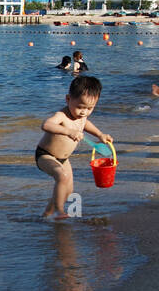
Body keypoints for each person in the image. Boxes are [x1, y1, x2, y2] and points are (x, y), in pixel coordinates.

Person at [35, 75, 113, 220]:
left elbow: (86, 124)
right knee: (61, 177)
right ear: (68, 99)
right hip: (46, 155)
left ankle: (47, 215)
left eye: (90, 108)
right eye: (80, 107)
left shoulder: (82, 116)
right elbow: (46, 125)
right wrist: (68, 131)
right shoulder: (61, 116)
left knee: (68, 189)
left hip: (64, 158)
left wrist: (100, 135)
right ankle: (59, 210)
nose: (84, 112)